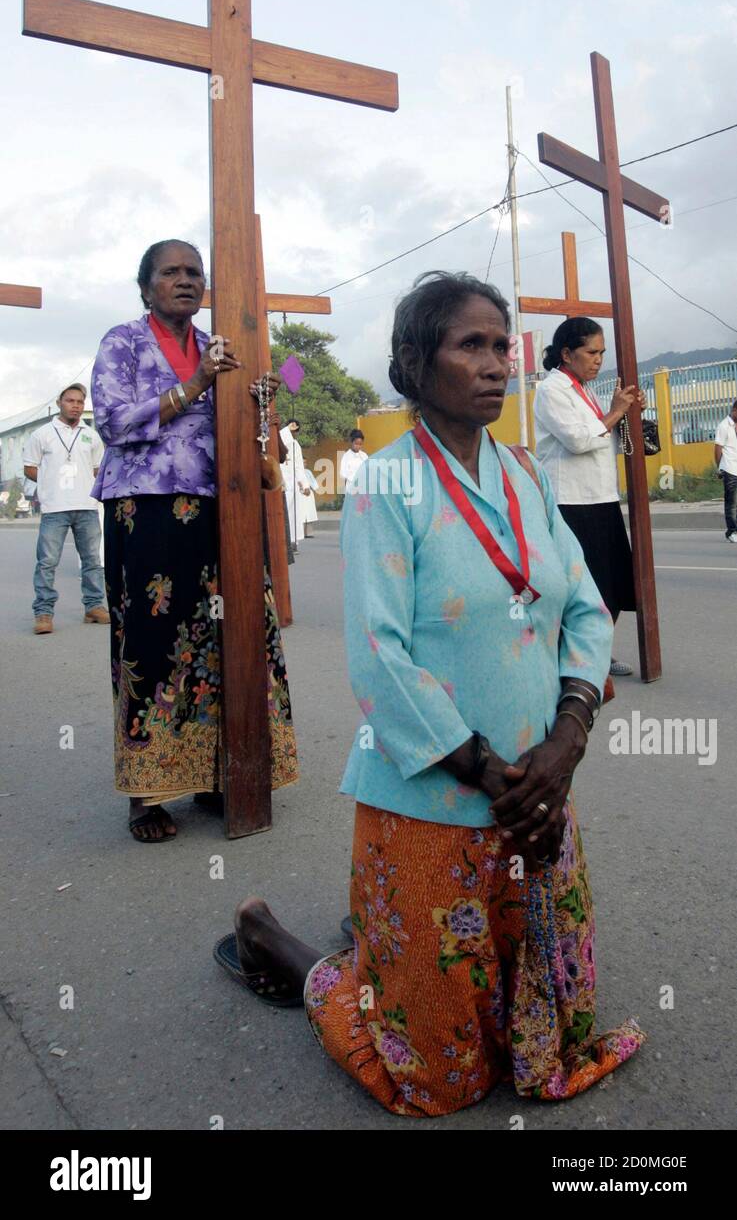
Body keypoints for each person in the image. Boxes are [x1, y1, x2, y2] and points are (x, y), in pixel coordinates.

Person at [216, 271, 644, 1117]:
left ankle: (385, 946)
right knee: (437, 1080)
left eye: (500, 347)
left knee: (541, 1039)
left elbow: (586, 609)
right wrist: (494, 773)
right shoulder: (386, 483)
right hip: (440, 795)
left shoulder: (524, 475)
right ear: (414, 364)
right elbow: (380, 657)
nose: (494, 365)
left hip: (537, 789)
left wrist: (565, 740)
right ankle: (280, 943)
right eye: (469, 346)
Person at [91, 240, 298, 843]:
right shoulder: (122, 341)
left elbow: (239, 425)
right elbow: (112, 421)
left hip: (220, 508)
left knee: (226, 634)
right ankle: (147, 791)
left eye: (194, 272)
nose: (185, 280)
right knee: (154, 641)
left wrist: (262, 408)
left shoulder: (219, 346)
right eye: (170, 272)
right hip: (146, 508)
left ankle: (221, 770)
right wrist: (193, 387)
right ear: (146, 284)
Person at [533, 317, 646, 678]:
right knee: (585, 586)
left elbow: (603, 439)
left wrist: (628, 414)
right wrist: (615, 413)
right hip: (572, 502)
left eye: (602, 352)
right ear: (567, 354)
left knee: (611, 583)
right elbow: (579, 440)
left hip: (601, 497)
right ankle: (579, 654)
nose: (598, 359)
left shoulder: (586, 389)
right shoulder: (552, 390)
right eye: (591, 352)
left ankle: (597, 648)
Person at [23, 383, 109, 635]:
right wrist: (51, 483)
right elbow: (30, 468)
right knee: (47, 562)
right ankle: (43, 613)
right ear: (60, 402)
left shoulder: (91, 436)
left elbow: (96, 470)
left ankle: (93, 607)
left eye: (80, 402)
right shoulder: (42, 434)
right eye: (70, 401)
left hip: (86, 506)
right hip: (55, 508)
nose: (75, 405)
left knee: (92, 561)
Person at [279, 419, 310, 551]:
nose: (294, 434)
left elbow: (299, 467)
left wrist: (305, 484)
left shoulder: (296, 445)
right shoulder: (281, 438)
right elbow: (279, 438)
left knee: (294, 513)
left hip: (293, 483)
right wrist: (287, 429)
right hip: (281, 481)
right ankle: (282, 541)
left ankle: (293, 541)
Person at [714, 399, 737, 543]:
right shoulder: (723, 426)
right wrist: (719, 467)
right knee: (731, 503)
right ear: (735, 410)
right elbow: (717, 448)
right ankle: (732, 532)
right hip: (729, 468)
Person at [302, 467, 319, 539]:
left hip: (308, 493)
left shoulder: (308, 472)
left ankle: (308, 533)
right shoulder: (296, 471)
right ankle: (300, 533)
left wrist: (312, 488)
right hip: (300, 494)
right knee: (301, 513)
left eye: (305, 462)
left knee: (309, 513)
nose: (303, 464)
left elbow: (313, 482)